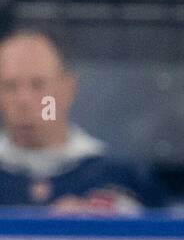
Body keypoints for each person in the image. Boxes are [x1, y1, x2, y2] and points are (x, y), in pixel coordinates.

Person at [0, 29, 164, 211]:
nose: (24, 100)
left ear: (68, 88)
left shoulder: (120, 178)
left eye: (38, 85)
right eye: (10, 86)